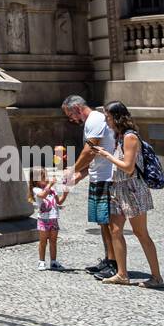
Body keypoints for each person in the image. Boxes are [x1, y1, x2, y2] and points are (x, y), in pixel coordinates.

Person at [89, 101, 164, 288]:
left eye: (107, 116)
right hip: (118, 188)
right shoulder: (119, 136)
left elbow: (129, 167)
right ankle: (122, 274)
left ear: (116, 117)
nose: (105, 119)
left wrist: (107, 155)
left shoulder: (130, 137)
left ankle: (157, 277)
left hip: (132, 189)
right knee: (115, 231)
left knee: (141, 233)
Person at [61, 95, 117, 279]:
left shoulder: (94, 119)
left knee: (107, 223)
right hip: (98, 176)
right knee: (102, 222)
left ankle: (114, 264)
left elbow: (90, 150)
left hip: (107, 178)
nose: (72, 120)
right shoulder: (91, 122)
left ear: (77, 108)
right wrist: (79, 176)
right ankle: (109, 259)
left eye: (71, 115)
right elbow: (94, 159)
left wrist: (72, 169)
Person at [28, 167, 67, 271]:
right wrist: (50, 185)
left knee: (53, 241)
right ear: (36, 180)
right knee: (43, 241)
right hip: (43, 220)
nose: (46, 178)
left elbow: (59, 202)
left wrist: (65, 193)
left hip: (53, 219)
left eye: (46, 176)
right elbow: (42, 195)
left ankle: (53, 261)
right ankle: (41, 261)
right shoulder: (36, 189)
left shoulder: (52, 189)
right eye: (43, 176)